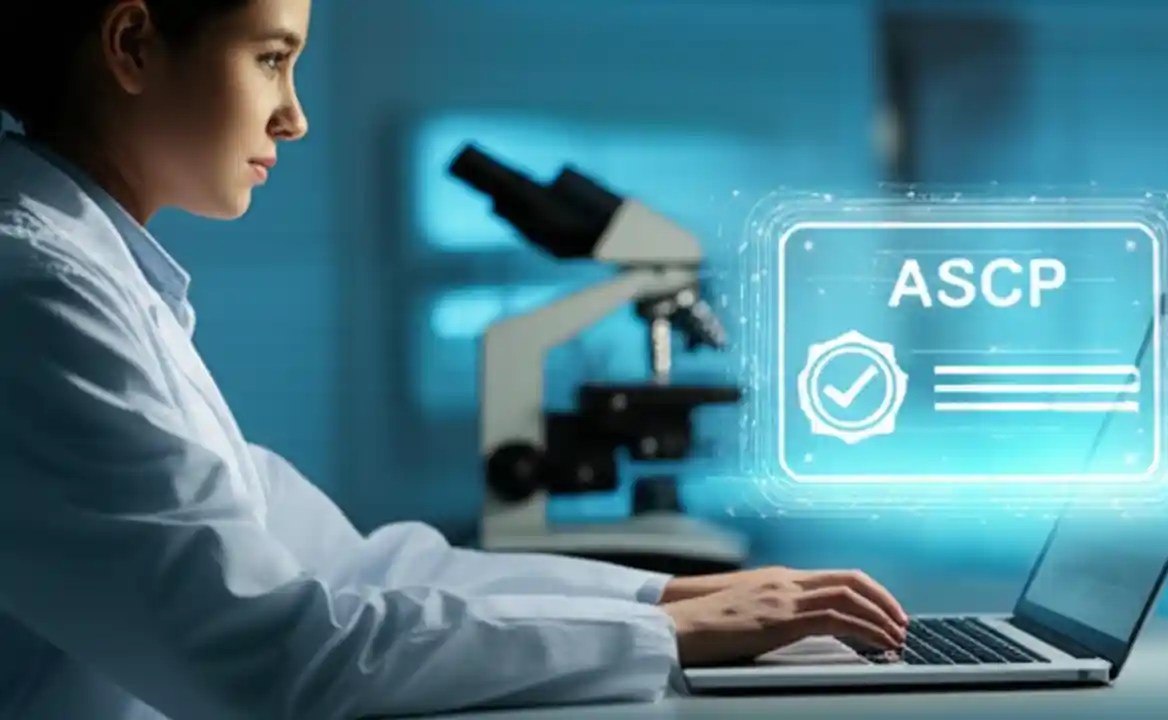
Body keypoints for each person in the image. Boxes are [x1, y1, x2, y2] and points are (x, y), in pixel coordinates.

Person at [0, 1, 909, 718]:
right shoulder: (38, 295)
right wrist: (665, 634)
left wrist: (664, 594)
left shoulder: (98, 281)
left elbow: (356, 571)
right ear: (131, 45)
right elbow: (278, 660)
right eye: (271, 58)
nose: (295, 116)